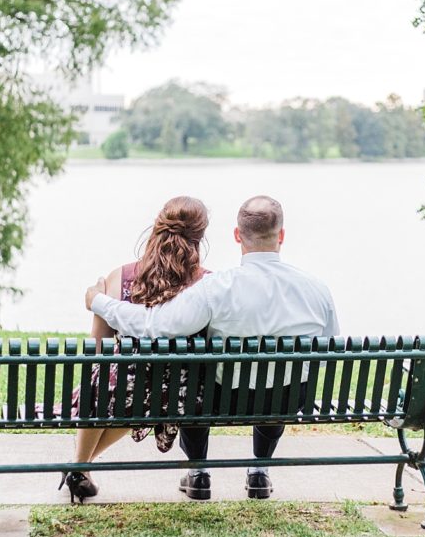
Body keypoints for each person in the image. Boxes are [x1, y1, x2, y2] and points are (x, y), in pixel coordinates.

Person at [86, 195, 340, 500]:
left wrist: (99, 302)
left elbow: (154, 325)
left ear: (237, 235)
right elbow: (326, 357)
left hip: (223, 401)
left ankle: (199, 471)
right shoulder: (317, 290)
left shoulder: (217, 288)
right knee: (277, 389)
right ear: (282, 235)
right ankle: (259, 469)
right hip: (287, 400)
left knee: (196, 380)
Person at [58, 195, 211, 503]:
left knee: (113, 383)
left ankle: (80, 465)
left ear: (157, 227)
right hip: (178, 392)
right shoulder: (207, 283)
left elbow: (98, 346)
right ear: (200, 237)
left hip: (123, 387)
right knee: (141, 390)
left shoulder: (121, 277)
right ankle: (79, 467)